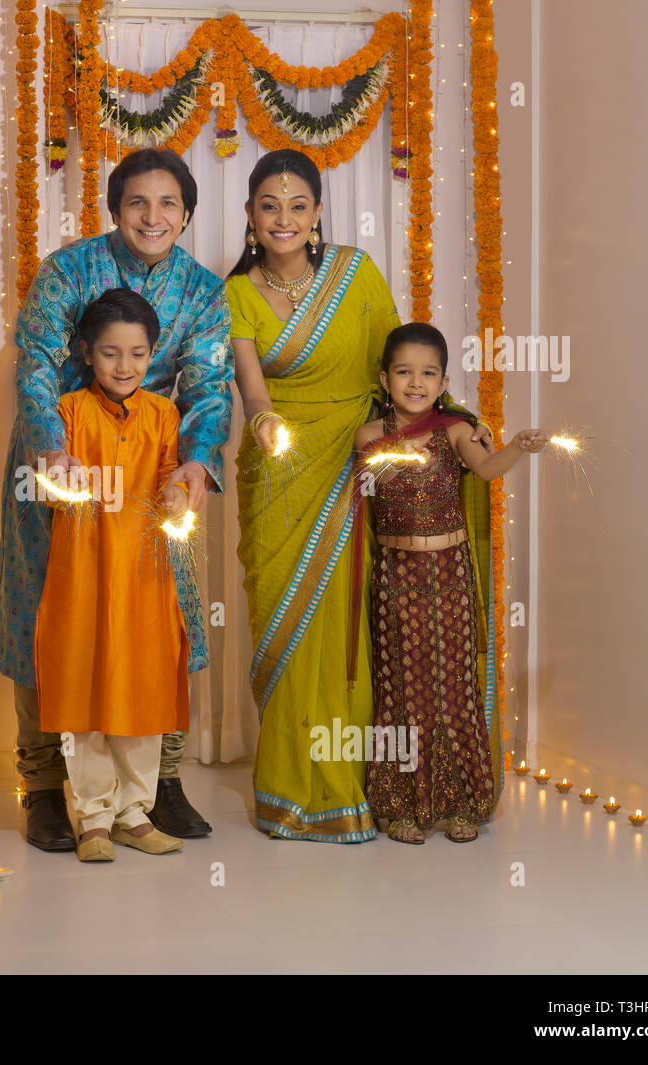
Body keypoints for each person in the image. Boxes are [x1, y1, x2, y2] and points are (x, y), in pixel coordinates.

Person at [227, 149, 493, 842]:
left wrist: (457, 417)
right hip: (283, 469)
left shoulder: (358, 275)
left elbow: (403, 367)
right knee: (287, 628)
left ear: (317, 214)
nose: (284, 219)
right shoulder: (237, 294)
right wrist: (265, 421)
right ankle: (293, 789)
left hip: (360, 464)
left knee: (354, 630)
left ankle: (370, 788)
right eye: (268, 206)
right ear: (250, 217)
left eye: (298, 206)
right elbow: (253, 387)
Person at [0, 149, 232, 850]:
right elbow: (34, 357)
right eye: (136, 203)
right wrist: (50, 447)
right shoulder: (68, 270)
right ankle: (42, 789)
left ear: (186, 214)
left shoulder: (206, 292)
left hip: (154, 474)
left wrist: (195, 462)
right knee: (47, 617)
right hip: (58, 471)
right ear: (114, 208)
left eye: (168, 205)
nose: (152, 217)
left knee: (162, 620)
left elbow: (211, 386)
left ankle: (159, 787)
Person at [354, 323, 545, 843]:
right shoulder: (369, 436)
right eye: (404, 372)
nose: (415, 382)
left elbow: (486, 470)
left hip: (450, 575)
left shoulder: (456, 430)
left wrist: (517, 447)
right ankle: (400, 807)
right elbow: (356, 497)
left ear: (442, 381)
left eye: (428, 373)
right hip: (395, 577)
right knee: (401, 690)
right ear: (385, 377)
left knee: (454, 688)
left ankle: (462, 804)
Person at [35, 289, 190, 862]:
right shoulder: (68, 413)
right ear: (87, 353)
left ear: (153, 355)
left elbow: (174, 472)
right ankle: (93, 817)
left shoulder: (164, 414)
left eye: (137, 354)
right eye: (109, 354)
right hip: (82, 571)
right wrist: (58, 469)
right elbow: (49, 481)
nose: (124, 367)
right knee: (85, 688)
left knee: (142, 689)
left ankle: (134, 814)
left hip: (145, 575)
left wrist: (177, 492)